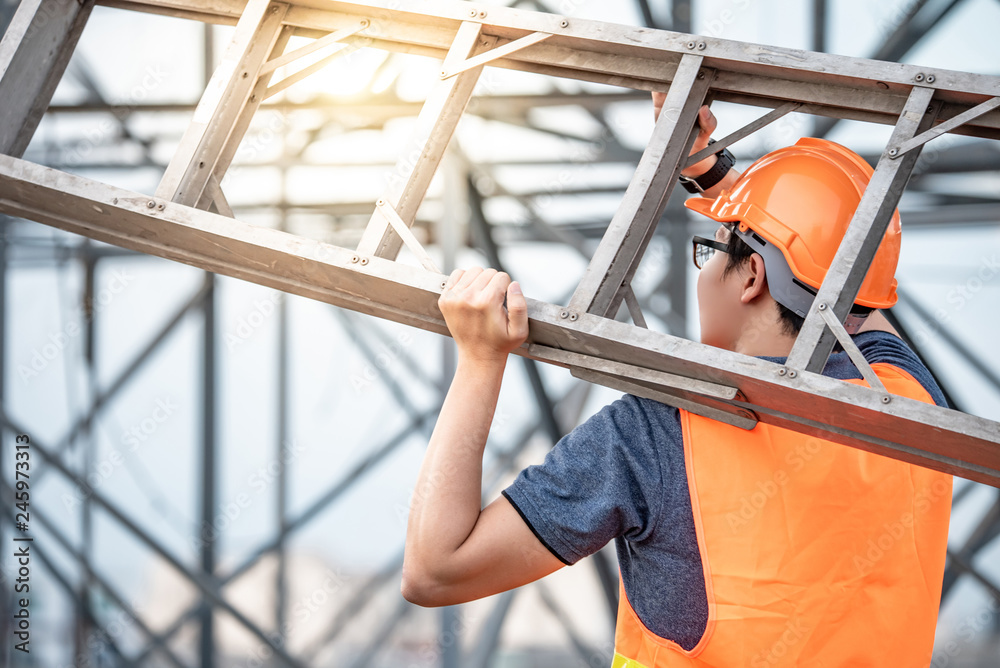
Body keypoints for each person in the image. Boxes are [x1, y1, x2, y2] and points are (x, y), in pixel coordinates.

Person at [401, 94, 953, 666]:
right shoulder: (910, 395)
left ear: (751, 279)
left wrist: (480, 360)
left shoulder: (661, 431)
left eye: (710, 252)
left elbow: (436, 571)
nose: (704, 270)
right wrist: (714, 177)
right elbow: (847, 291)